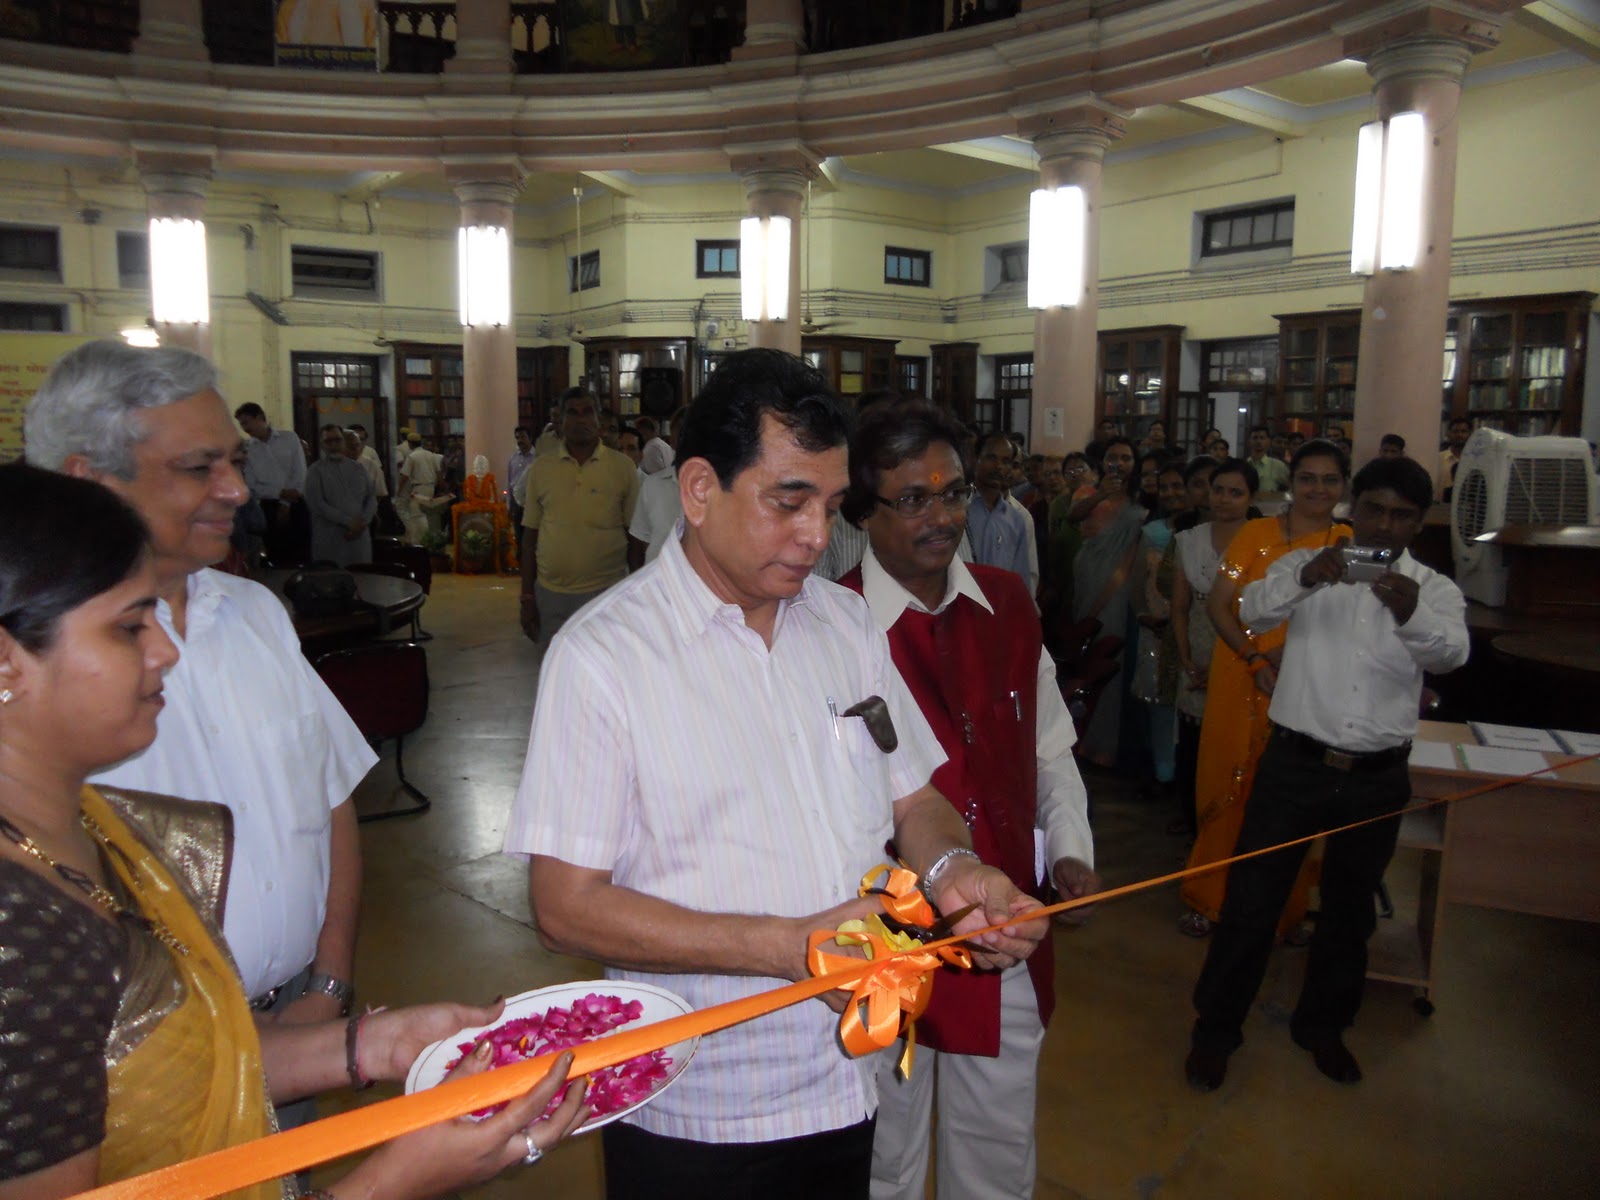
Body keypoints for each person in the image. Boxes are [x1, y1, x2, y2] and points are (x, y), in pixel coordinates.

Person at [504, 349, 1046, 1200]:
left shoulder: (846, 626)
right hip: (697, 1104)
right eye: (787, 502)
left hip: (847, 1083)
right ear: (698, 490)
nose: (817, 537)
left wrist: (956, 873)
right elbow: (564, 908)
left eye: (831, 507)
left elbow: (914, 795)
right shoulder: (604, 658)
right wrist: (784, 948)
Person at [0, 461, 588, 1198]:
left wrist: (369, 1044)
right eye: (128, 628)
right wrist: (391, 1181)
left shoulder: (99, 831)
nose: (165, 652)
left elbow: (161, 1062)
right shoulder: (17, 931)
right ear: (7, 658)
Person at [25, 341, 371, 1128]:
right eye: (198, 468)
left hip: (300, 1017)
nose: (236, 489)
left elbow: (331, 798)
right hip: (131, 1064)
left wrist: (329, 989)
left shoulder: (254, 614)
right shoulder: (36, 677)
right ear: (88, 482)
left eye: (237, 462)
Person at [836, 402, 1097, 1200]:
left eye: (952, 493)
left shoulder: (1007, 603)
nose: (942, 516)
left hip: (1005, 920)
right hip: (886, 944)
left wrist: (1072, 848)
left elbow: (1049, 745)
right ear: (859, 511)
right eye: (913, 498)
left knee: (998, 1140)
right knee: (886, 1146)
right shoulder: (831, 627)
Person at [1185, 455, 1469, 1090]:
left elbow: (1452, 655)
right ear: (1353, 508)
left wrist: (1412, 613)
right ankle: (1216, 1030)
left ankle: (1322, 1028)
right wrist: (1308, 578)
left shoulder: (1432, 587)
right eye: (1374, 508)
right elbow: (1252, 611)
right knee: (1251, 904)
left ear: (1417, 524)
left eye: (1401, 516)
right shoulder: (1309, 564)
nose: (1385, 525)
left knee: (1348, 914)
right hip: (1296, 765)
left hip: (1376, 775)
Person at [1178, 439, 1351, 938]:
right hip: (1245, 675)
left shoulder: (1347, 541)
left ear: (1342, 486)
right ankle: (1212, 902)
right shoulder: (1255, 533)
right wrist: (1256, 658)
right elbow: (1219, 605)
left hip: (1310, 684)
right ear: (1290, 482)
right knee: (1233, 788)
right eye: (1308, 478)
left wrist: (1297, 657)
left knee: (1295, 798)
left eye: (1330, 479)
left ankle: (1284, 909)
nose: (1318, 489)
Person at [1169, 458, 1256, 839]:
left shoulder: (1261, 540)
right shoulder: (1190, 540)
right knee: (1193, 744)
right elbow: (1180, 605)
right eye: (1218, 489)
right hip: (1200, 647)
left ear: (1251, 497)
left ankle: (1231, 829)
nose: (1224, 499)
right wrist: (1186, 656)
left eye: (1236, 492)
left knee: (1235, 743)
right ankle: (1194, 824)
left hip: (1244, 647)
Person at [517, 387, 640, 649]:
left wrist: (636, 599)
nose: (580, 419)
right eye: (572, 413)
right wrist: (527, 598)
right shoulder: (541, 468)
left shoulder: (623, 468)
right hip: (551, 596)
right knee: (556, 681)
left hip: (607, 594)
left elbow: (636, 538)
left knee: (608, 680)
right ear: (560, 421)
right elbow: (529, 538)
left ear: (599, 420)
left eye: (587, 412)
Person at [1064, 436, 1144, 766]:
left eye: (1126, 457)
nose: (1119, 463)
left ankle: (1107, 745)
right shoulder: (1088, 493)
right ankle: (1081, 738)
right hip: (1089, 579)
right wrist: (1102, 495)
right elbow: (1073, 517)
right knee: (1087, 650)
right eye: (1113, 457)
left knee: (1114, 655)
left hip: (1120, 585)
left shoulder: (1140, 499)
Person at [1129, 458, 1190, 797]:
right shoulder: (1152, 533)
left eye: (1177, 486)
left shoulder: (1200, 531)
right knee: (1158, 703)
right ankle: (1162, 772)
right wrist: (1144, 616)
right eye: (1164, 487)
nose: (1170, 493)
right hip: (1155, 628)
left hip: (1191, 632)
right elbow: (1137, 583)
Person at [235, 400, 309, 565]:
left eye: (246, 422)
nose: (244, 428)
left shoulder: (289, 438)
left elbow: (299, 471)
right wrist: (280, 493)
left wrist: (286, 502)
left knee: (301, 553)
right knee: (276, 554)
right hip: (269, 506)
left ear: (260, 417)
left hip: (296, 502)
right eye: (241, 425)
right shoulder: (248, 449)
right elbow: (252, 484)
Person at [304, 423, 377, 566]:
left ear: (343, 441)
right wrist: (349, 522)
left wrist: (362, 523)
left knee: (362, 580)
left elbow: (371, 498)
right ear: (322, 445)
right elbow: (317, 504)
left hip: (359, 537)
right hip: (330, 537)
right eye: (328, 441)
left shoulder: (359, 468)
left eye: (337, 440)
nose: (333, 445)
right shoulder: (315, 471)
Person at [967, 433, 1032, 585]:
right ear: (975, 459)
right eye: (991, 458)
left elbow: (1021, 578)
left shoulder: (1015, 519)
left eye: (1006, 461)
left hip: (1002, 605)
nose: (998, 466)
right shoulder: (962, 510)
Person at [507, 424, 536, 556]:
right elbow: (509, 483)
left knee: (532, 537)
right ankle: (521, 566)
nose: (520, 440)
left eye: (523, 437)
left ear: (530, 438)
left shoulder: (538, 458)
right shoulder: (513, 459)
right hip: (516, 505)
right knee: (519, 536)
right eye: (517, 437)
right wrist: (509, 505)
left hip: (532, 503)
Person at [1436, 417, 1472, 501]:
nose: (1459, 435)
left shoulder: (1476, 461)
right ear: (1448, 433)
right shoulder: (1438, 458)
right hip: (1440, 509)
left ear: (1470, 434)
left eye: (1463, 431)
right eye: (1455, 431)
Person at [1246, 424, 1290, 493]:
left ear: (1269, 441)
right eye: (1255, 438)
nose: (1258, 441)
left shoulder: (1278, 465)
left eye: (1262, 438)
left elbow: (1292, 487)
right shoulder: (1243, 466)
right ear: (1249, 441)